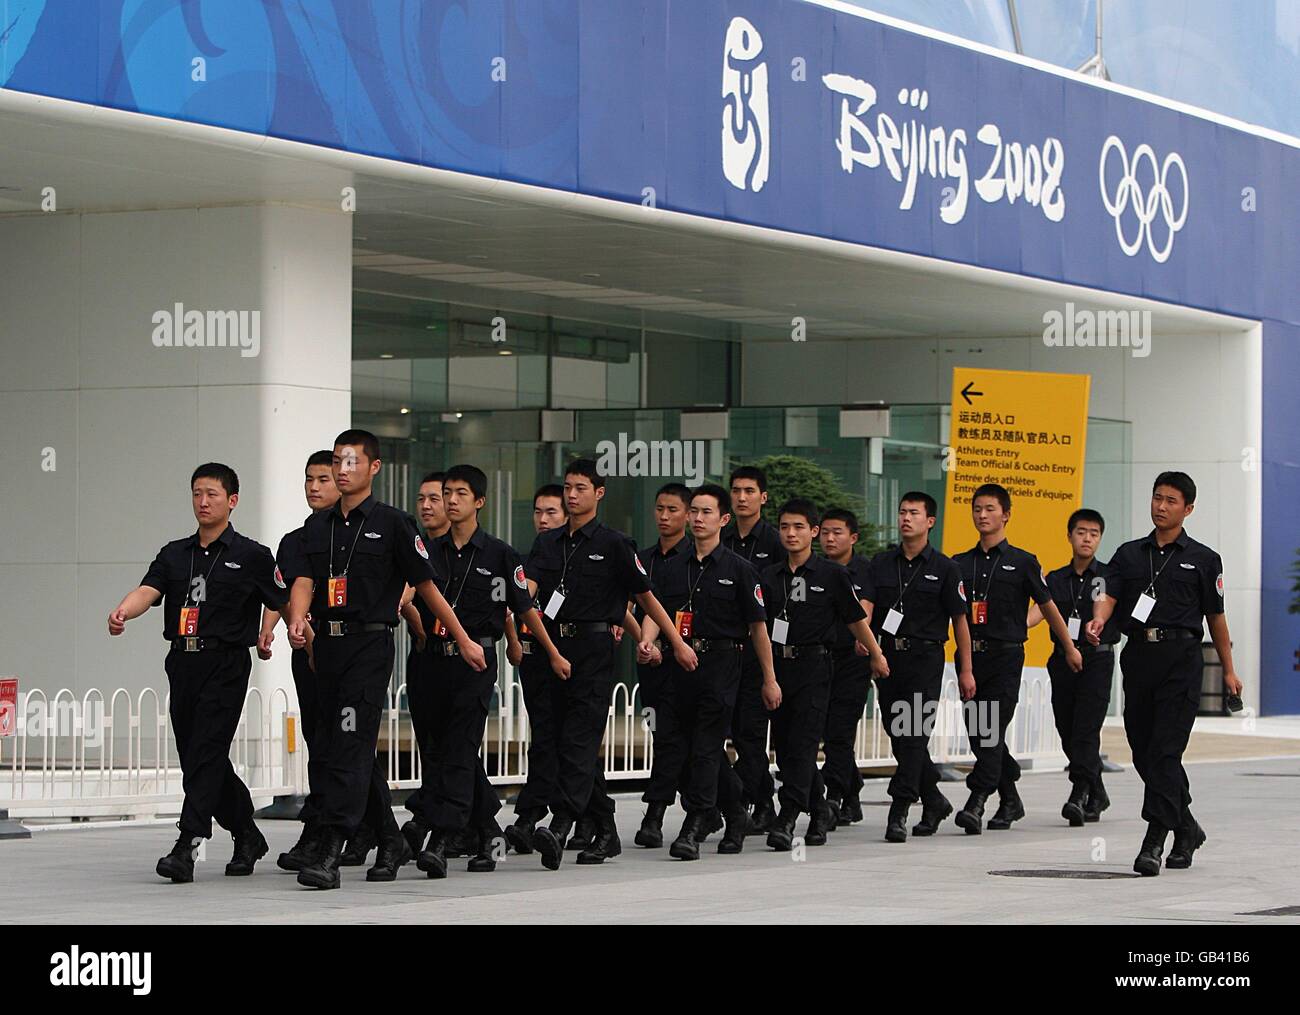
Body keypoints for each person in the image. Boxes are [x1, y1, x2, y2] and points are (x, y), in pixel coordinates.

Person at [282, 430, 487, 889]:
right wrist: (298, 620)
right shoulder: (317, 527)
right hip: (326, 648)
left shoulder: (394, 524)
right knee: (336, 745)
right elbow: (304, 581)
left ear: (373, 468)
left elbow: (427, 587)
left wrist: (464, 639)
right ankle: (391, 838)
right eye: (337, 461)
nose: (341, 470)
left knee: (350, 745)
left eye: (350, 462)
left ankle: (333, 846)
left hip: (370, 647)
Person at [108, 463, 286, 883]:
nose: (203, 502)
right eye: (196, 494)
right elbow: (147, 591)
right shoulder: (175, 553)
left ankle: (186, 845)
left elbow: (278, 597)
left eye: (212, 494)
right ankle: (246, 834)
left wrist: (265, 632)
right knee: (198, 758)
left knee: (205, 750)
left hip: (225, 663)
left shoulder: (252, 555)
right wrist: (122, 613)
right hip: (183, 662)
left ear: (232, 501)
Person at [523, 458, 699, 870]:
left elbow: (645, 598)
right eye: (567, 486)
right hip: (553, 650)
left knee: (580, 740)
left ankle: (563, 823)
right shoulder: (546, 544)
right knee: (564, 743)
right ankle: (605, 828)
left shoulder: (615, 544)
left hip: (594, 651)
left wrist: (671, 643)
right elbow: (527, 593)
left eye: (581, 487)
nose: (571, 494)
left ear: (599, 493)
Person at [414, 465, 570, 878]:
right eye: (446, 492)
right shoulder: (429, 550)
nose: (450, 500)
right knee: (443, 749)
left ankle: (444, 837)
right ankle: (489, 835)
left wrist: (549, 652)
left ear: (479, 501)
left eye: (460, 493)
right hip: (433, 659)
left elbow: (521, 608)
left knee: (460, 748)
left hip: (476, 662)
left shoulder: (500, 554)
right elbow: (410, 596)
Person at [1087, 472, 1243, 876]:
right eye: (1157, 498)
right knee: (1144, 751)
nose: (1161, 506)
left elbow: (1216, 618)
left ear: (1187, 509)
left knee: (1166, 750)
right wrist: (1099, 620)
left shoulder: (1205, 560)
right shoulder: (1128, 554)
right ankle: (1186, 827)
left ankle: (1154, 840)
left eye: (1171, 500)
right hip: (1139, 657)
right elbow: (1107, 595)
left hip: (1182, 659)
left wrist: (1229, 671)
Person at [637, 483, 780, 859]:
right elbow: (659, 612)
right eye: (694, 512)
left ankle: (695, 825)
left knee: (705, 747)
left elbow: (758, 629)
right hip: (677, 665)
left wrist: (769, 678)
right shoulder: (672, 568)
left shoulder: (740, 570)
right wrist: (647, 642)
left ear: (723, 519)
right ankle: (734, 814)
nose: (698, 519)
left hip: (720, 665)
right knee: (687, 747)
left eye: (706, 513)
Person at [951, 484, 1081, 835]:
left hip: (1005, 657)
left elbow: (1048, 606)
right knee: (979, 733)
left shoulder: (1024, 562)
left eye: (990, 509)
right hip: (969, 658)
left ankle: (976, 800)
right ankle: (1010, 797)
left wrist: (1068, 647)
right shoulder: (959, 563)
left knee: (990, 728)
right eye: (977, 508)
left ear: (1006, 514)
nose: (982, 515)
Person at [760, 499, 882, 851]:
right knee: (785, 749)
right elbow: (759, 625)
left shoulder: (832, 575)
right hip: (779, 666)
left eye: (799, 527)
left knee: (803, 743)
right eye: (784, 527)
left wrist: (875, 653)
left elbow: (855, 619)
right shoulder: (769, 576)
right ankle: (819, 810)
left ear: (812, 531)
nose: (791, 534)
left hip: (815, 667)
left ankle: (787, 816)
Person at [863, 492, 974, 841]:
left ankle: (899, 810)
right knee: (900, 737)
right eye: (902, 512)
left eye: (914, 513)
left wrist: (966, 669)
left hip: (925, 660)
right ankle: (935, 799)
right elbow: (865, 608)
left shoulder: (945, 568)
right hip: (888, 659)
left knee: (913, 734)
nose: (906, 518)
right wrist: (868, 649)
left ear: (930, 521)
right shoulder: (880, 563)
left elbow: (960, 623)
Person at [1028, 508, 1118, 826]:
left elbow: (1100, 603)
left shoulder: (1103, 576)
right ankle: (1098, 790)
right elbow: (1040, 612)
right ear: (1069, 536)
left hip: (1096, 658)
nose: (1087, 538)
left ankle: (1079, 792)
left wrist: (1097, 623)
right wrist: (1015, 628)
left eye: (1094, 533)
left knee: (1085, 729)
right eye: (1081, 532)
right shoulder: (1055, 578)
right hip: (1063, 659)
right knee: (1066, 729)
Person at [502, 484, 567, 854]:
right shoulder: (529, 559)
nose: (543, 520)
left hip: (570, 659)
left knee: (565, 742)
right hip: (535, 658)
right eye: (538, 512)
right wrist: (512, 641)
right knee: (545, 737)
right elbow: (516, 603)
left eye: (551, 513)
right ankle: (541, 818)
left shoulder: (571, 557)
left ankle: (533, 817)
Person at [722, 466, 783, 833]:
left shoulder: (775, 542)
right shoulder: (722, 539)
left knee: (750, 734)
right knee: (724, 734)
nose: (741, 497)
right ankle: (760, 801)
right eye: (736, 490)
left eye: (749, 490)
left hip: (762, 652)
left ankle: (752, 802)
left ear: (763, 497)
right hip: (725, 651)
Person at [633, 483, 693, 849]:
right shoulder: (643, 559)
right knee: (672, 739)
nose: (664, 516)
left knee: (677, 740)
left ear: (688, 515)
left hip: (690, 662)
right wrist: (644, 642)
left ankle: (655, 813)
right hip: (651, 662)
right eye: (659, 509)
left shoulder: (696, 560)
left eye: (672, 510)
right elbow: (631, 605)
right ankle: (727, 805)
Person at [815, 508, 879, 827]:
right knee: (826, 729)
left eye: (837, 532)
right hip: (820, 658)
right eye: (825, 532)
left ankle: (834, 796)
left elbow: (863, 607)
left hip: (852, 660)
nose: (830, 538)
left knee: (839, 731)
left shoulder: (863, 570)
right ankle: (852, 795)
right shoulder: (815, 569)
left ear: (852, 537)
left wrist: (863, 638)